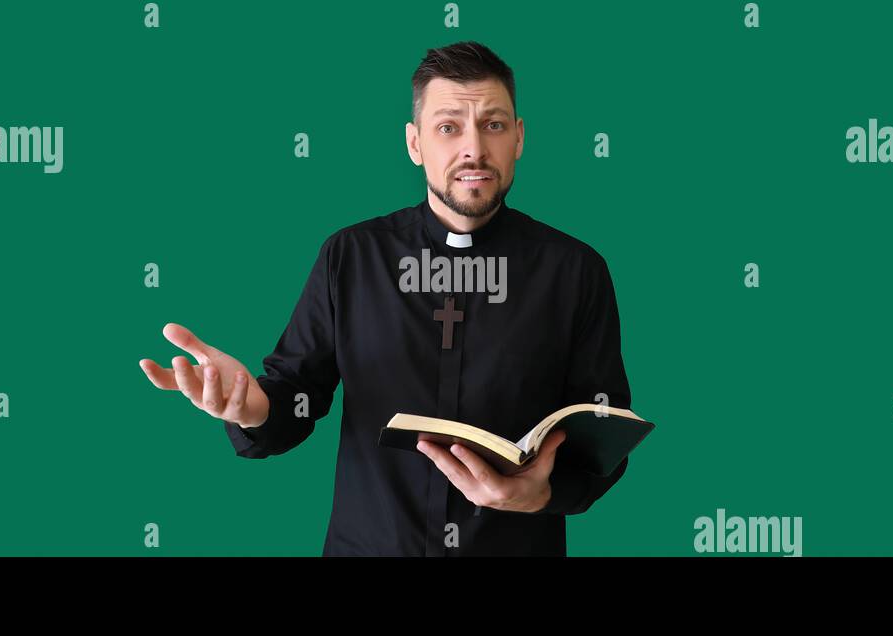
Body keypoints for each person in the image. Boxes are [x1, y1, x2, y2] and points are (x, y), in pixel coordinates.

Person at [140, 41, 634, 556]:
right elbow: (295, 394)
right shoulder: (350, 256)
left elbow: (603, 434)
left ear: (519, 138)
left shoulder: (577, 270)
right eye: (448, 127)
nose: (474, 149)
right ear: (415, 143)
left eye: (493, 125)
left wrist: (542, 494)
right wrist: (249, 408)